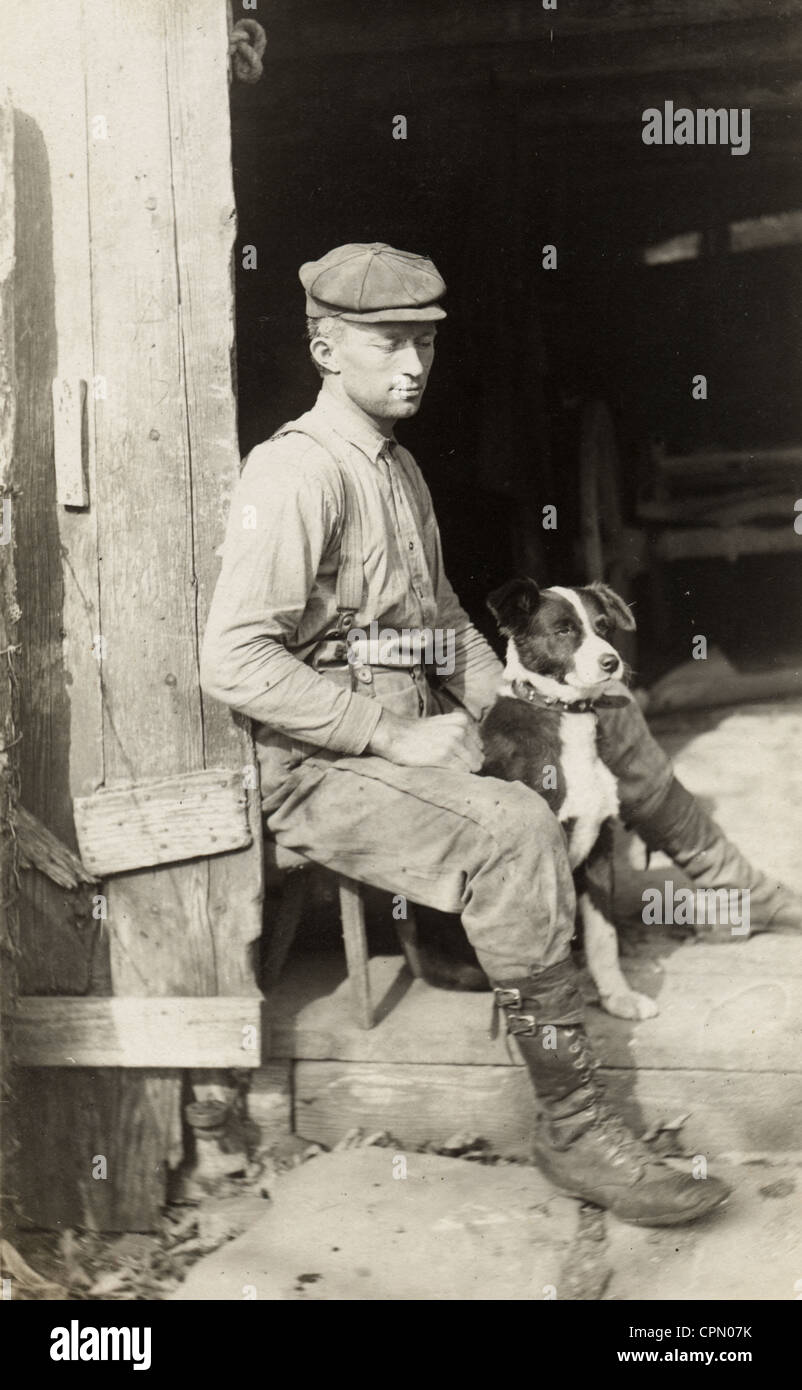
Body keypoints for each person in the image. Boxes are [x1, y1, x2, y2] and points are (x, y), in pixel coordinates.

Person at [201, 242, 798, 1225]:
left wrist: (511, 709)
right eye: (388, 340)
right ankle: (571, 1121)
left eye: (425, 342)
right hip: (323, 769)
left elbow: (444, 630)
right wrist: (389, 738)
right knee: (514, 828)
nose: (414, 363)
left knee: (608, 712)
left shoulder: (397, 473)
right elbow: (230, 659)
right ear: (323, 345)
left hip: (412, 739)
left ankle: (737, 882)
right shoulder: (294, 473)